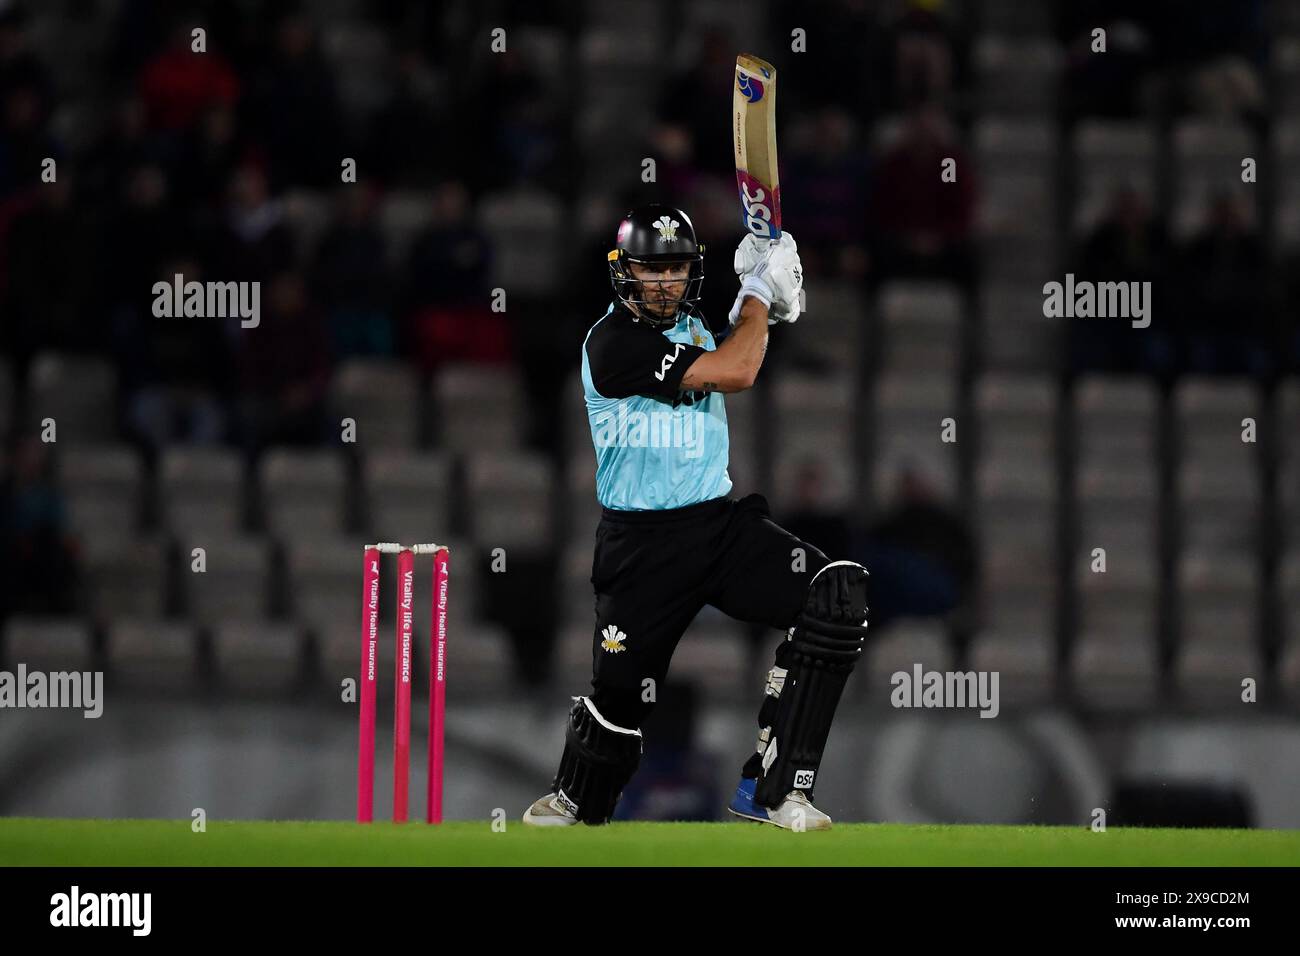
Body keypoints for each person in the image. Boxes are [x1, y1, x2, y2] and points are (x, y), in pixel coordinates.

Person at [522, 204, 870, 830]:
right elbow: (737, 369)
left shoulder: (699, 330)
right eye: (649, 270)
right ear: (623, 272)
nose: (663, 283)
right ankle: (575, 801)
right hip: (639, 550)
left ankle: (775, 790)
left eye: (675, 268)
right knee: (617, 709)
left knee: (834, 594)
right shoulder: (611, 344)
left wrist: (769, 299)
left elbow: (741, 349)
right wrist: (761, 293)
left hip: (715, 528)